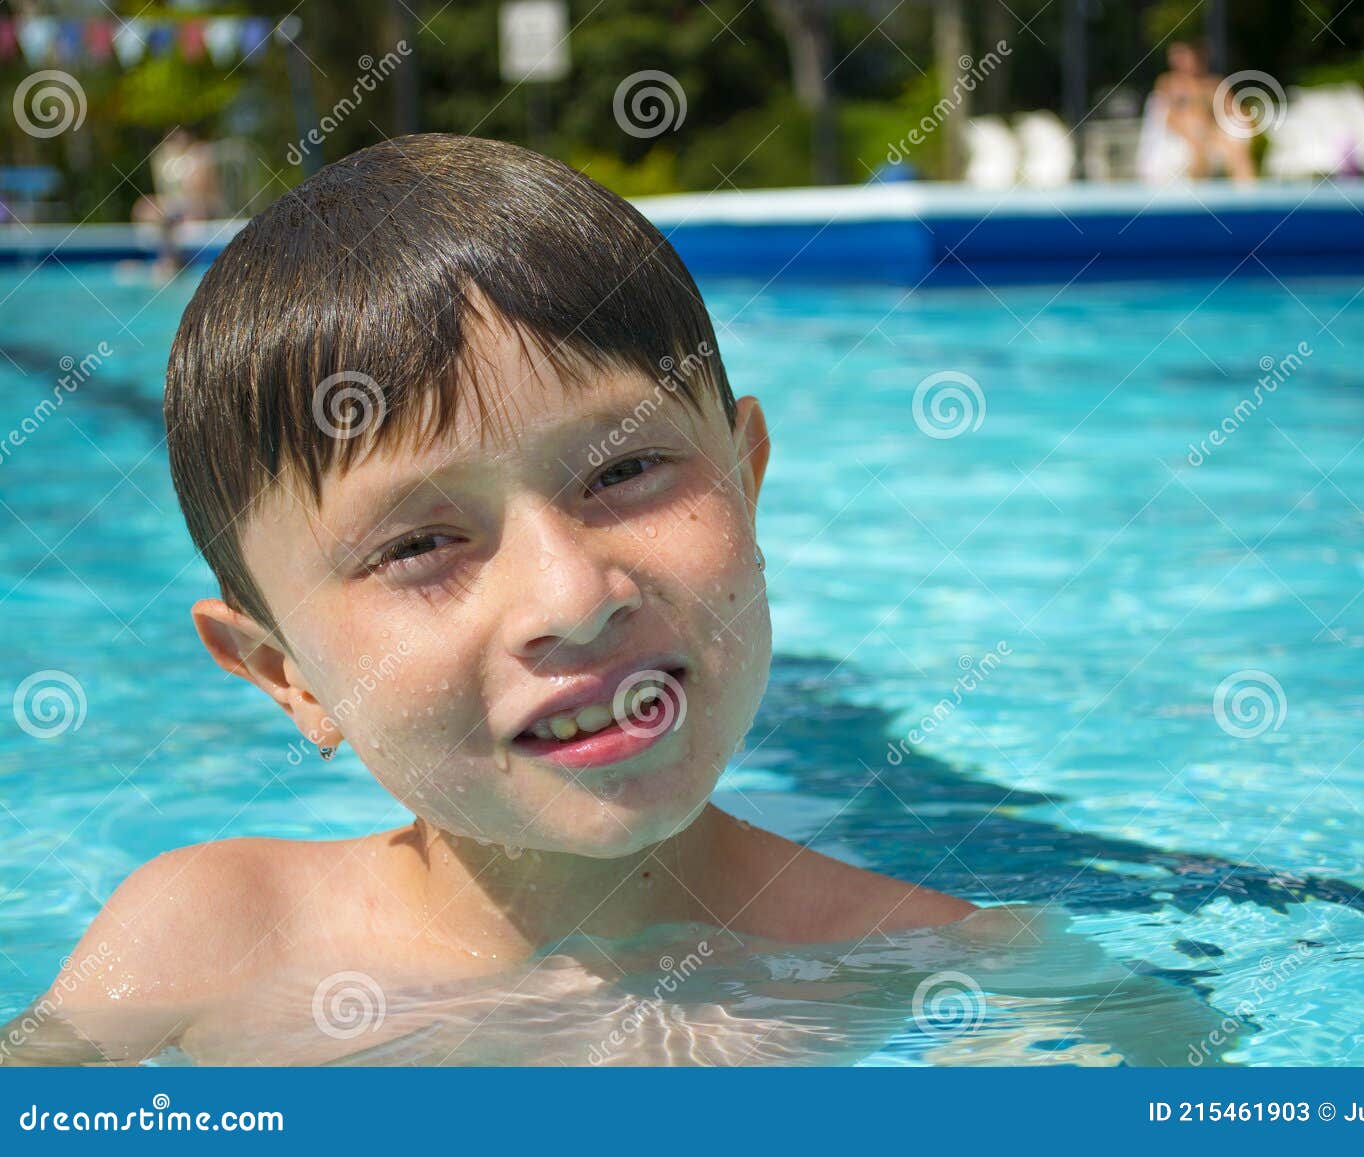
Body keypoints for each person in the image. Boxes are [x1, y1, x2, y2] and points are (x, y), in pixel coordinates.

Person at [7, 134, 973, 1065]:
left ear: (747, 480)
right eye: (420, 543)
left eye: (628, 468)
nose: (574, 596)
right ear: (284, 674)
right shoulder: (207, 941)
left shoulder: (938, 964)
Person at [1151, 40, 1256, 182]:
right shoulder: (1168, 83)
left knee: (1237, 152)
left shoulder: (1212, 84)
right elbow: (1168, 116)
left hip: (1212, 132)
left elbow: (1232, 109)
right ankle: (1201, 198)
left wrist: (1248, 117)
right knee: (1198, 153)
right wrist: (1191, 137)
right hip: (1186, 133)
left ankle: (1248, 198)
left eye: (1183, 56)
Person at [130, 126, 220, 277]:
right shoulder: (167, 160)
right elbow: (167, 193)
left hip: (200, 204)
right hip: (178, 206)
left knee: (167, 217)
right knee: (144, 208)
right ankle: (146, 258)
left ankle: (170, 261)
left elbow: (201, 192)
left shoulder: (197, 158)